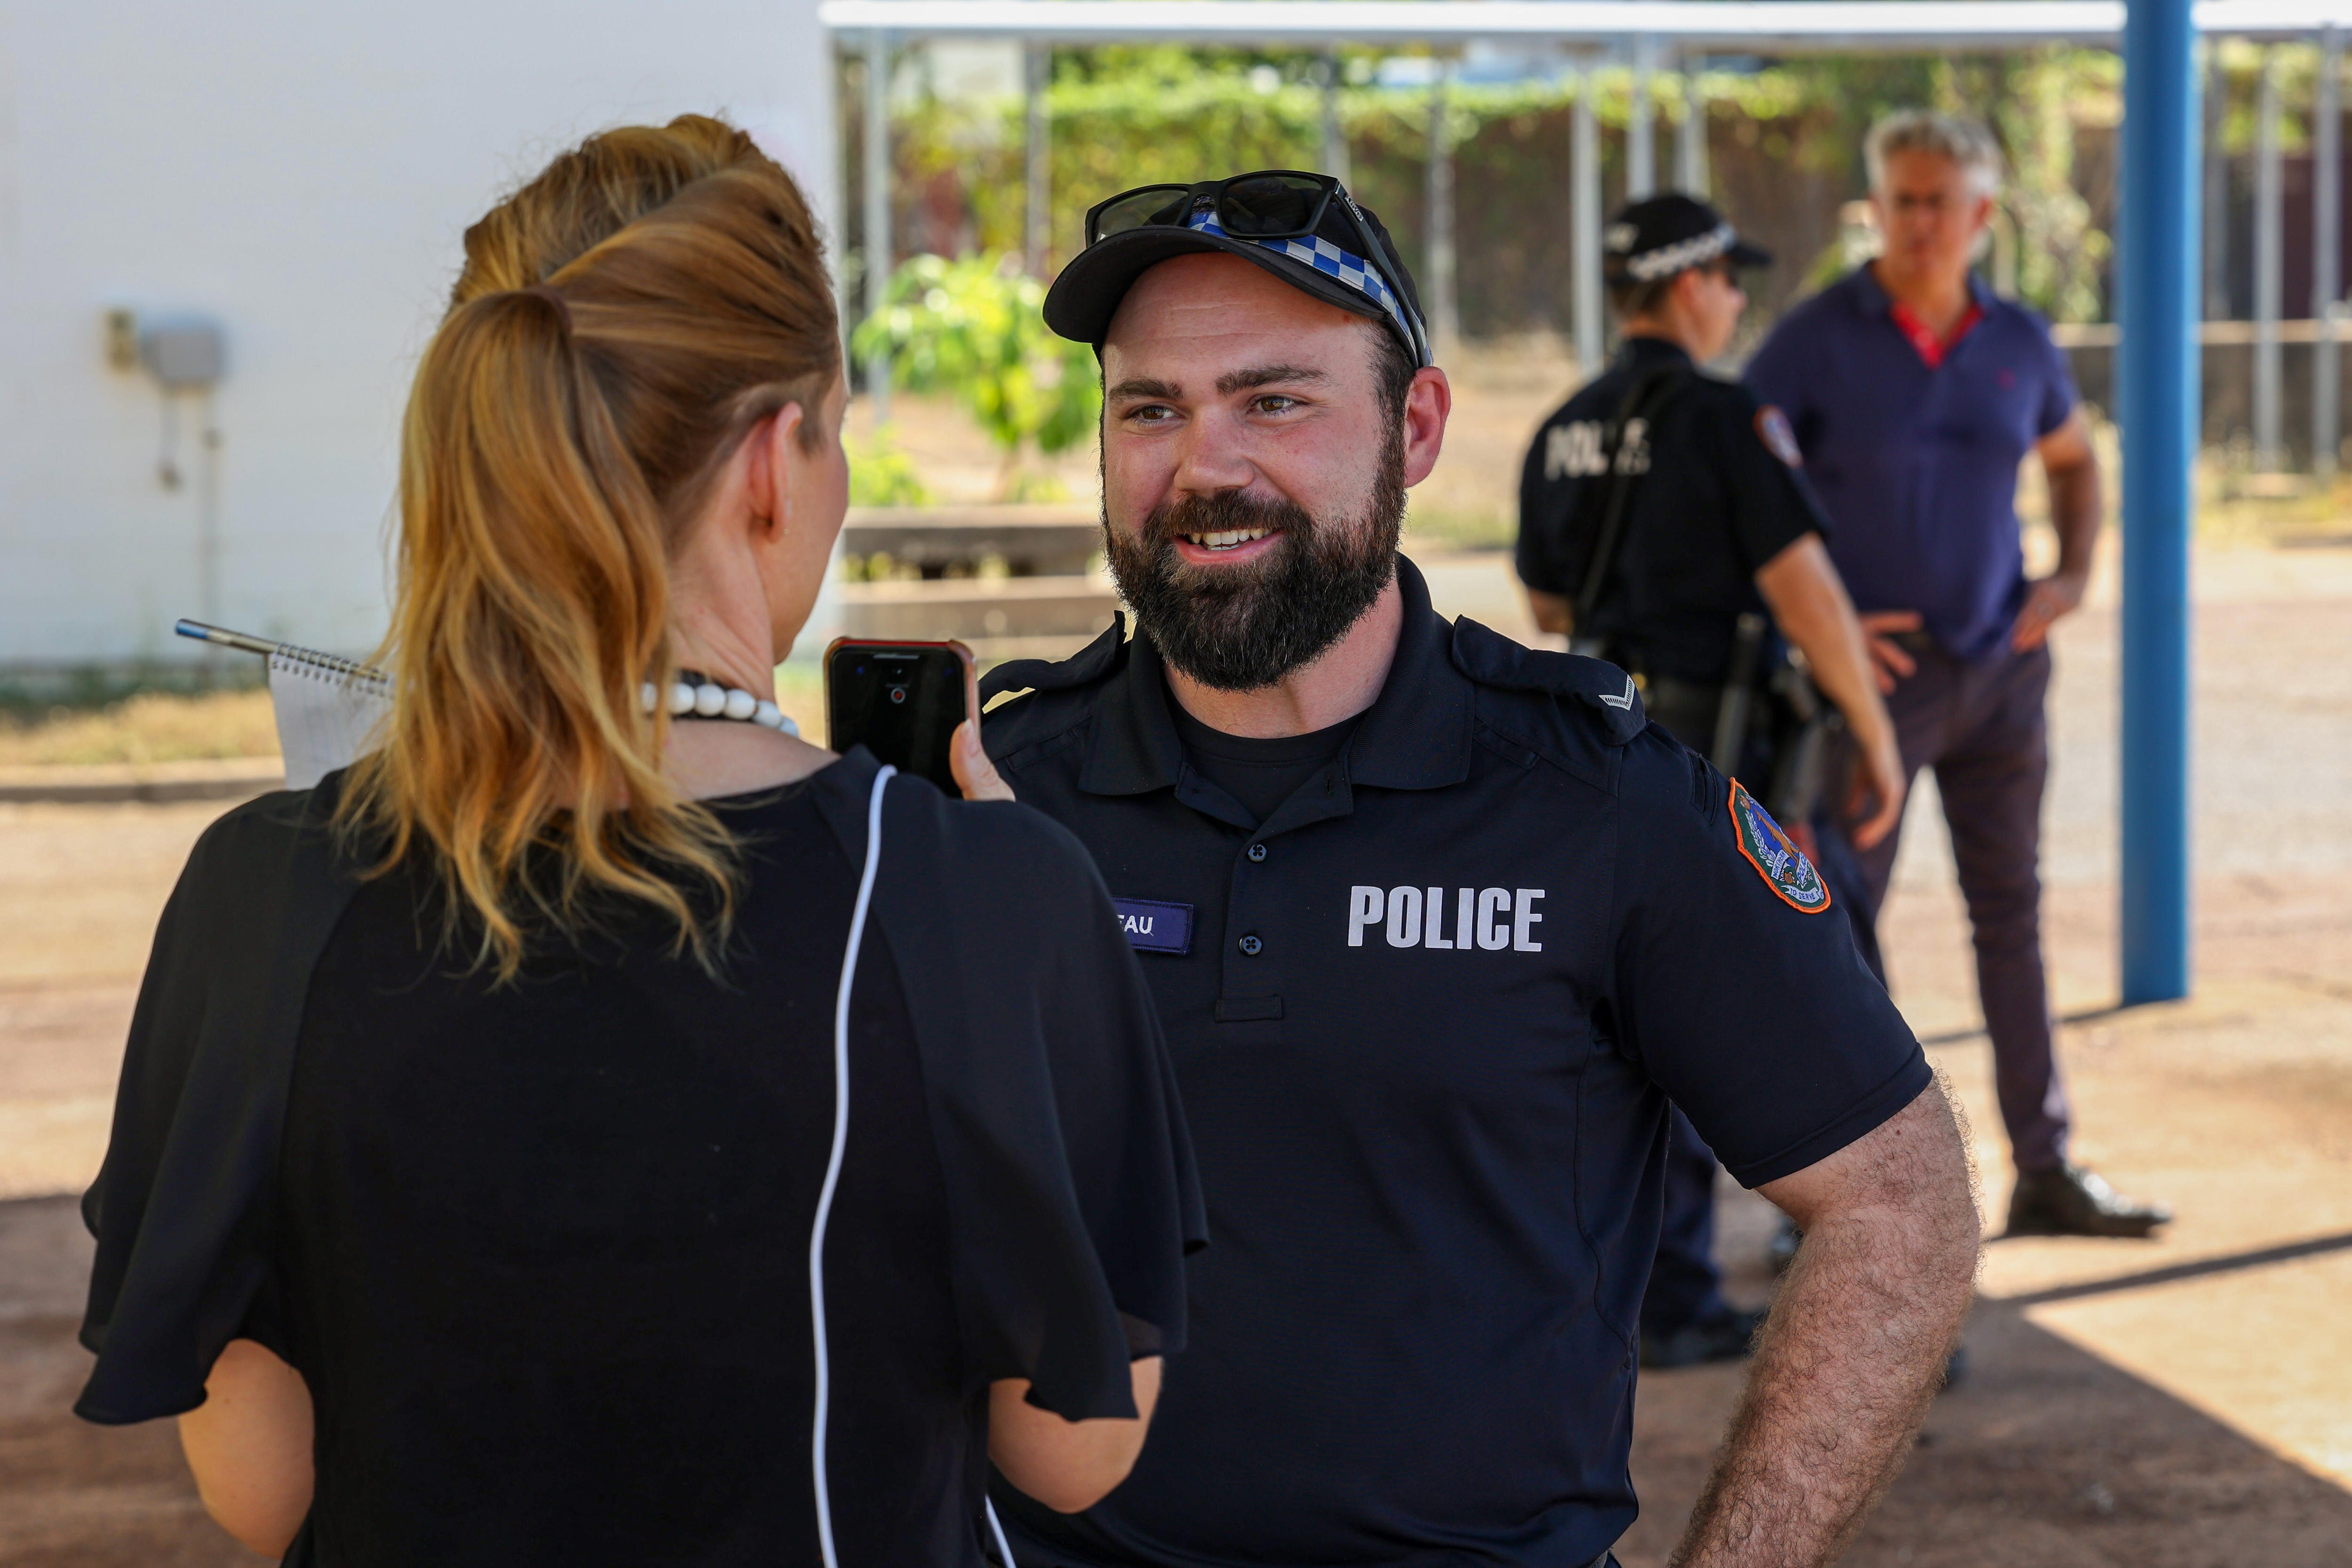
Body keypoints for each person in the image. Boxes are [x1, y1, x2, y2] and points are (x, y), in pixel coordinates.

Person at [74, 116, 1203, 1567]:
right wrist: (1014, 940)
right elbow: (1072, 1445)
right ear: (767, 465)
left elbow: (264, 1487)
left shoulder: (263, 888)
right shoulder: (981, 892)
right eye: (837, 430)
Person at [975, 169, 1979, 1568]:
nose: (1205, 465)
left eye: (1275, 400)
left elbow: (1898, 1191)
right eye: (1151, 407)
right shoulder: (993, 797)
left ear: (1418, 425)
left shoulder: (1599, 803)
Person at [1746, 110, 2170, 1239]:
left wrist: (2073, 574)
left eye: (1942, 201)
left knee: (2011, 912)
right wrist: (1818, 624)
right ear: (1874, 207)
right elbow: (1731, 485)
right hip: (1870, 686)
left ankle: (2045, 1164)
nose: (1920, 220)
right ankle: (1839, 1191)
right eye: (1902, 198)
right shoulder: (1815, 338)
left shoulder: (2018, 340)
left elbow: (2075, 463)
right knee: (1835, 927)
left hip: (2002, 672)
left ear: (1983, 216)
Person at [1516, 192, 1910, 1369]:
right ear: (1689, 286)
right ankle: (1864, 1259)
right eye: (1727, 279)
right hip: (1728, 767)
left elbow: (1551, 611)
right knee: (1828, 999)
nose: (1735, 299)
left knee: (1630, 1018)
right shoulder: (1728, 418)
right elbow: (1806, 592)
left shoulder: (1561, 430)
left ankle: (1667, 1284)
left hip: (1608, 760)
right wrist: (1872, 731)